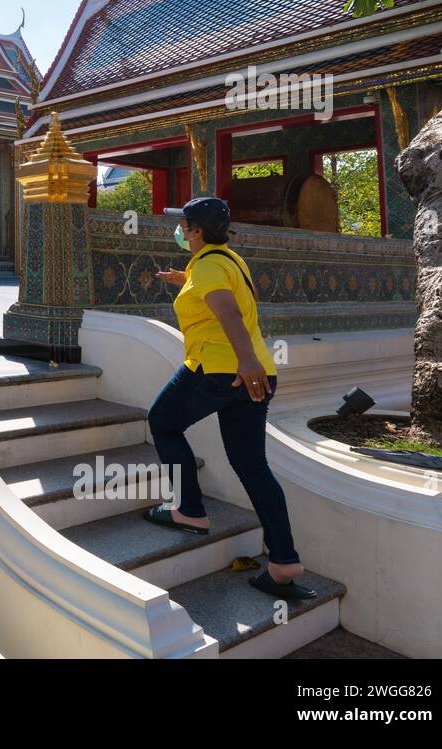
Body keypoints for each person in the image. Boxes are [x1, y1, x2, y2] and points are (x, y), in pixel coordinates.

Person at [144, 197, 315, 600]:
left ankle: (189, 511)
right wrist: (180, 279)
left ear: (198, 231)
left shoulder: (206, 268)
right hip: (256, 376)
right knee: (252, 465)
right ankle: (283, 563)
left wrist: (245, 362)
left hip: (220, 369)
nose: (181, 231)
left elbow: (227, 313)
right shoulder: (227, 260)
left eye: (185, 225)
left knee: (163, 423)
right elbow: (213, 287)